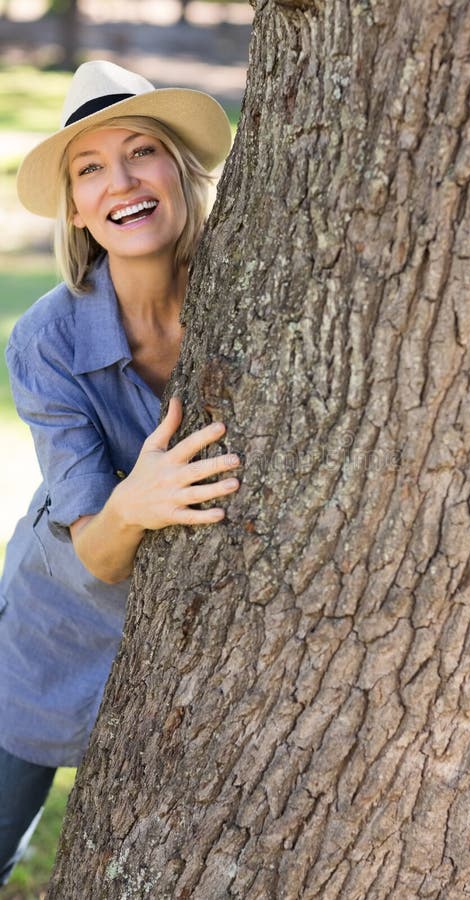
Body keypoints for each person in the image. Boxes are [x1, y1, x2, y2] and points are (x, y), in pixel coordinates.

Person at [0, 59, 240, 884]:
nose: (122, 182)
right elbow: (97, 552)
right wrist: (137, 503)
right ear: (75, 207)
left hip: (197, 652)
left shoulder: (254, 295)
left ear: (181, 167)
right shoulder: (46, 340)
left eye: (142, 152)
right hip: (55, 627)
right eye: (91, 168)